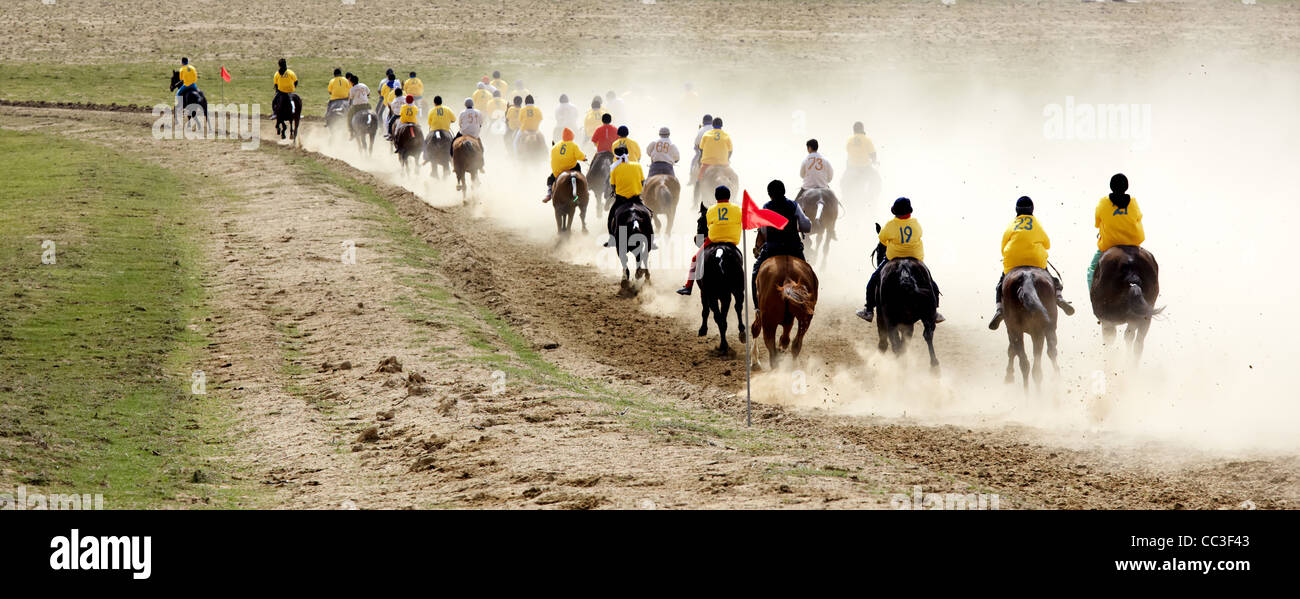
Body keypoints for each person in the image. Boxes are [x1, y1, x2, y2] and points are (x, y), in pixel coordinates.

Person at [988, 196, 1074, 330]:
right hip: (1036, 260)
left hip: (1013, 261)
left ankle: (999, 310)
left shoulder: (1011, 225)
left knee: (1001, 284)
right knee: (1053, 279)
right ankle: (1059, 298)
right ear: (1032, 209)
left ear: (1016, 210)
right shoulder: (1037, 223)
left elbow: (1003, 247)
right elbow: (1047, 244)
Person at [855, 197, 945, 323]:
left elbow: (882, 238)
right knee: (930, 282)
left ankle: (869, 310)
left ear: (895, 212)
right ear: (909, 212)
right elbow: (919, 235)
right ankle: (934, 311)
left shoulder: (890, 225)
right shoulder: (916, 224)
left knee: (873, 280)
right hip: (915, 257)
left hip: (893, 257)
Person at [751, 180, 812, 311]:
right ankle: (809, 302)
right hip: (794, 248)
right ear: (784, 191)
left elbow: (764, 231)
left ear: (769, 194)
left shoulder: (766, 207)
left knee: (755, 272)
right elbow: (806, 226)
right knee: (808, 273)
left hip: (773, 249)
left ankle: (757, 307)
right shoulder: (794, 205)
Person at [677, 186, 740, 296]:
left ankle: (688, 286)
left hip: (713, 240)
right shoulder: (737, 208)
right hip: (731, 240)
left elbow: (709, 224)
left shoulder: (710, 210)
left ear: (716, 197)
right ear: (729, 196)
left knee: (695, 258)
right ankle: (740, 288)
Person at [1088, 173, 1145, 289]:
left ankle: (1094, 298)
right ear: (1126, 187)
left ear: (1111, 186)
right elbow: (1139, 218)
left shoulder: (1103, 203)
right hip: (1133, 244)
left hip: (1109, 245)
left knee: (1092, 270)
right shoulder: (1133, 202)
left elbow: (1097, 223)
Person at [604, 146, 648, 246]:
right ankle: (651, 239)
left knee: (611, 217)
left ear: (616, 156)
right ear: (628, 154)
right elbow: (642, 182)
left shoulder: (614, 169)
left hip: (621, 200)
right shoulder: (637, 166)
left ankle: (612, 239)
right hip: (636, 198)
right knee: (648, 214)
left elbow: (613, 186)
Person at [544, 128, 586, 203]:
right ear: (571, 137)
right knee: (579, 170)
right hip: (571, 168)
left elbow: (552, 157)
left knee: (550, 179)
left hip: (558, 171)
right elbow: (579, 155)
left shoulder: (555, 146)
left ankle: (549, 194)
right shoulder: (573, 145)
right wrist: (584, 158)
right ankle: (581, 190)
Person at [697, 117, 733, 183]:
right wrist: (726, 159)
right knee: (733, 177)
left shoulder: (706, 135)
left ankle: (696, 193)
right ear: (721, 125)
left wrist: (703, 157)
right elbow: (730, 151)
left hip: (707, 163)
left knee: (699, 179)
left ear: (713, 125)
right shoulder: (726, 136)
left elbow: (701, 149)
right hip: (723, 163)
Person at [689, 114, 713, 185]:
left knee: (694, 162)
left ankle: (691, 178)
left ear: (703, 122)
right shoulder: (715, 129)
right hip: (717, 154)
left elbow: (696, 143)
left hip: (704, 154)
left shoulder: (701, 130)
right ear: (712, 121)